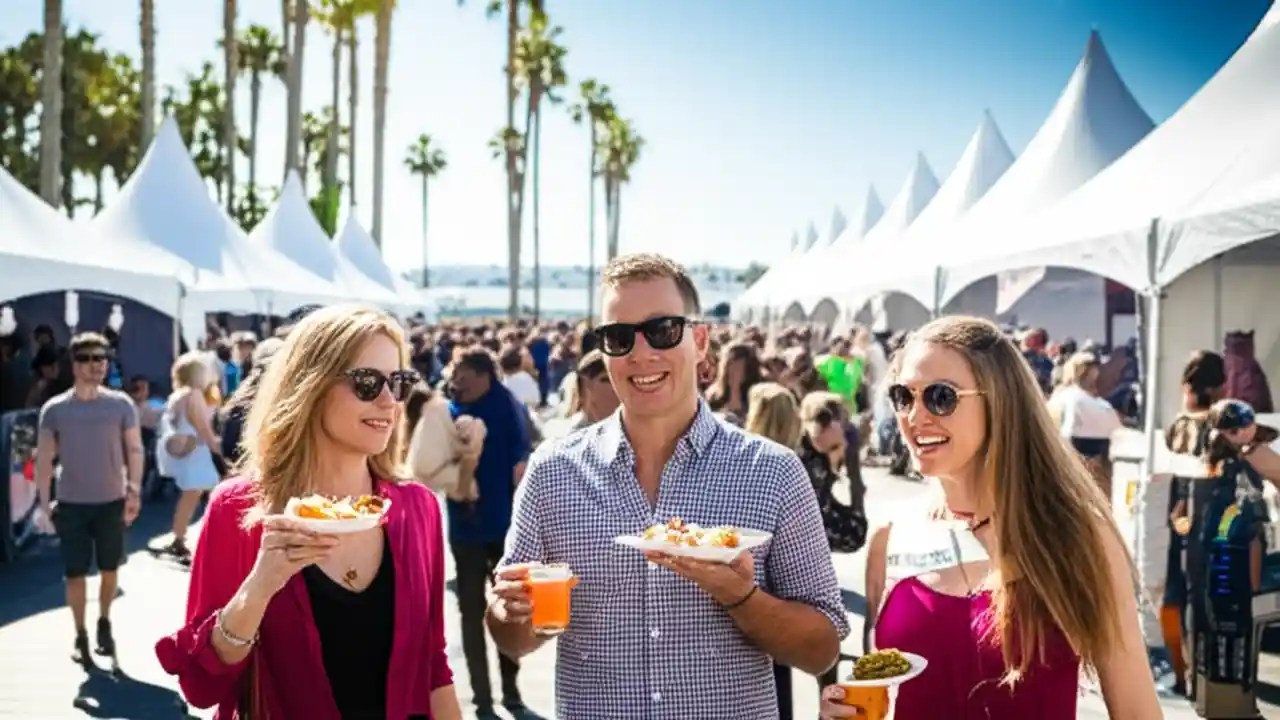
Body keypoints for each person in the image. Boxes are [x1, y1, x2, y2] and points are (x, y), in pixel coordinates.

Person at [488, 253, 848, 719]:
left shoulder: (772, 472)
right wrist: (507, 612)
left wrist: (740, 596)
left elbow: (821, 650)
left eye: (662, 331)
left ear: (699, 341)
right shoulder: (553, 471)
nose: (640, 353)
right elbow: (514, 639)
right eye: (618, 337)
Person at [819, 315, 1160, 719]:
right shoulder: (889, 538)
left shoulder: (1076, 535)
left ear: (999, 401)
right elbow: (882, 696)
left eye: (940, 396)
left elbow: (1137, 710)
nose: (915, 416)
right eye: (903, 396)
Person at [154, 305, 462, 719]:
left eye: (399, 383)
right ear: (311, 386)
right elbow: (201, 685)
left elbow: (433, 668)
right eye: (368, 383)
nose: (390, 401)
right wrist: (259, 588)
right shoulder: (240, 509)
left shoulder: (416, 508)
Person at [34, 332, 143, 665]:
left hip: (111, 500)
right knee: (75, 573)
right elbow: (44, 460)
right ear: (74, 363)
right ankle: (80, 632)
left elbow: (135, 449)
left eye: (101, 358)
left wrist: (134, 489)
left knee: (110, 570)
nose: (95, 365)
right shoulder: (55, 409)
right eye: (87, 358)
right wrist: (43, 504)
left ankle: (104, 620)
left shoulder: (120, 404)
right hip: (71, 503)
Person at [445, 346, 532, 717]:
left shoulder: (507, 405)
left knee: (509, 610)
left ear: (485, 376)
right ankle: (482, 699)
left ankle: (510, 692)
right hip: (463, 528)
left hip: (502, 526)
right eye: (454, 375)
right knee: (469, 611)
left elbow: (521, 462)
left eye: (464, 377)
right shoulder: (449, 409)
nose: (456, 383)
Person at [155, 352, 223, 563]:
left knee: (193, 495)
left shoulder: (180, 394)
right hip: (197, 449)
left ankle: (180, 537)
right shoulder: (194, 394)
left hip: (187, 449)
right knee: (212, 494)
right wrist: (217, 451)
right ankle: (208, 539)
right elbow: (202, 425)